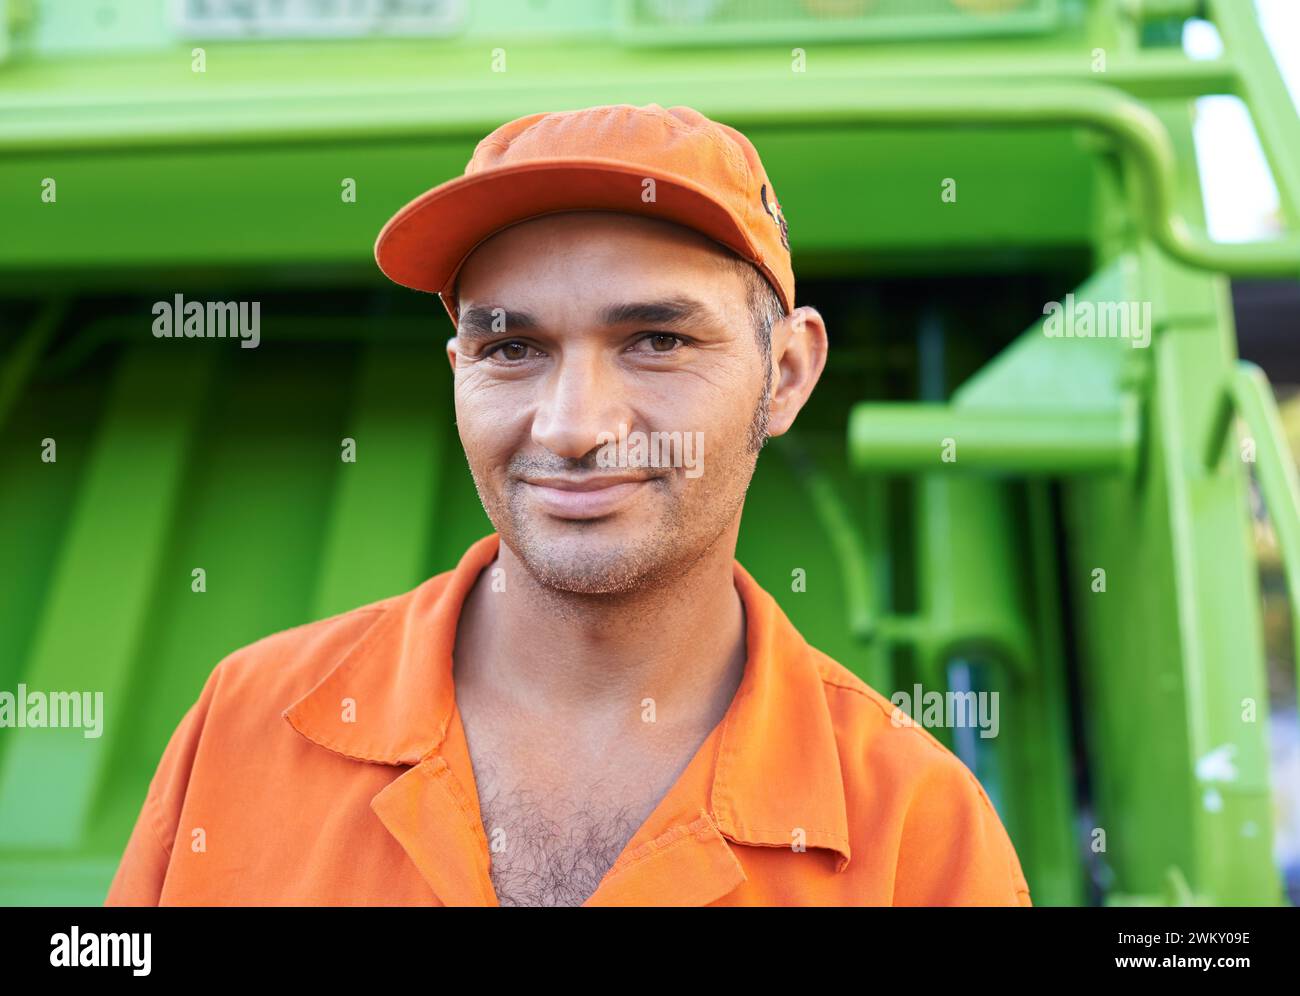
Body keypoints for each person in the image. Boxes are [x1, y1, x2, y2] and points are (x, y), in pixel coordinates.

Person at [105, 102, 1032, 907]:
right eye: (512, 349)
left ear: (785, 374)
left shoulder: (918, 828)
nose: (573, 427)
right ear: (460, 373)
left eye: (657, 340)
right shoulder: (248, 723)